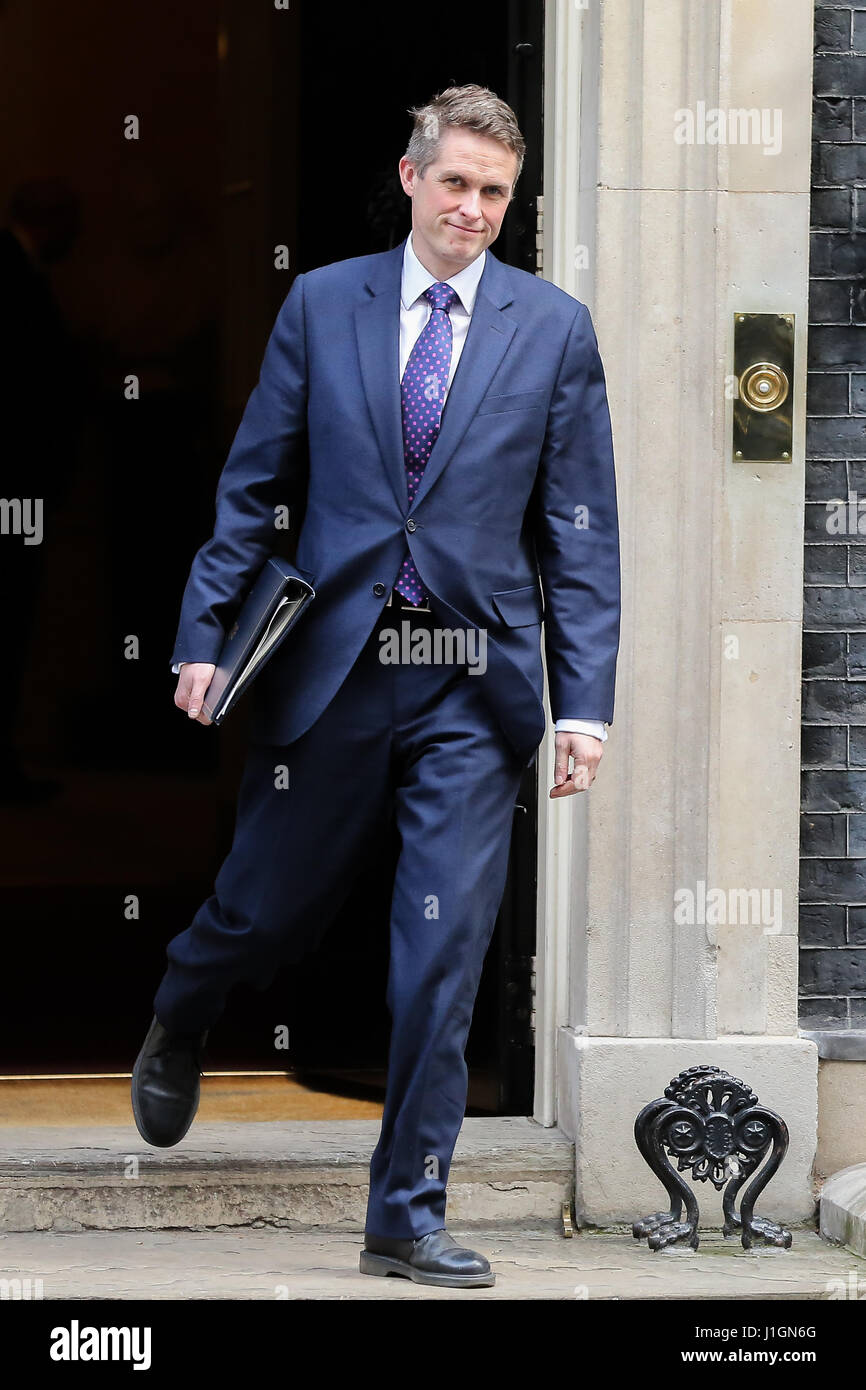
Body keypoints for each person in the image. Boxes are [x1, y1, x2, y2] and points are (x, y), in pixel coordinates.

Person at [131, 84, 620, 1289]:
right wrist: (204, 633)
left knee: (436, 960)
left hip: (471, 684)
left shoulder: (551, 329)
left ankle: (403, 1213)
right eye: (453, 182)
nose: (471, 209)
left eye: (494, 193)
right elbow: (252, 487)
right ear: (410, 177)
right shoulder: (319, 302)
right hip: (337, 672)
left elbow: (579, 532)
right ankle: (183, 1007)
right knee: (262, 910)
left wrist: (584, 700)